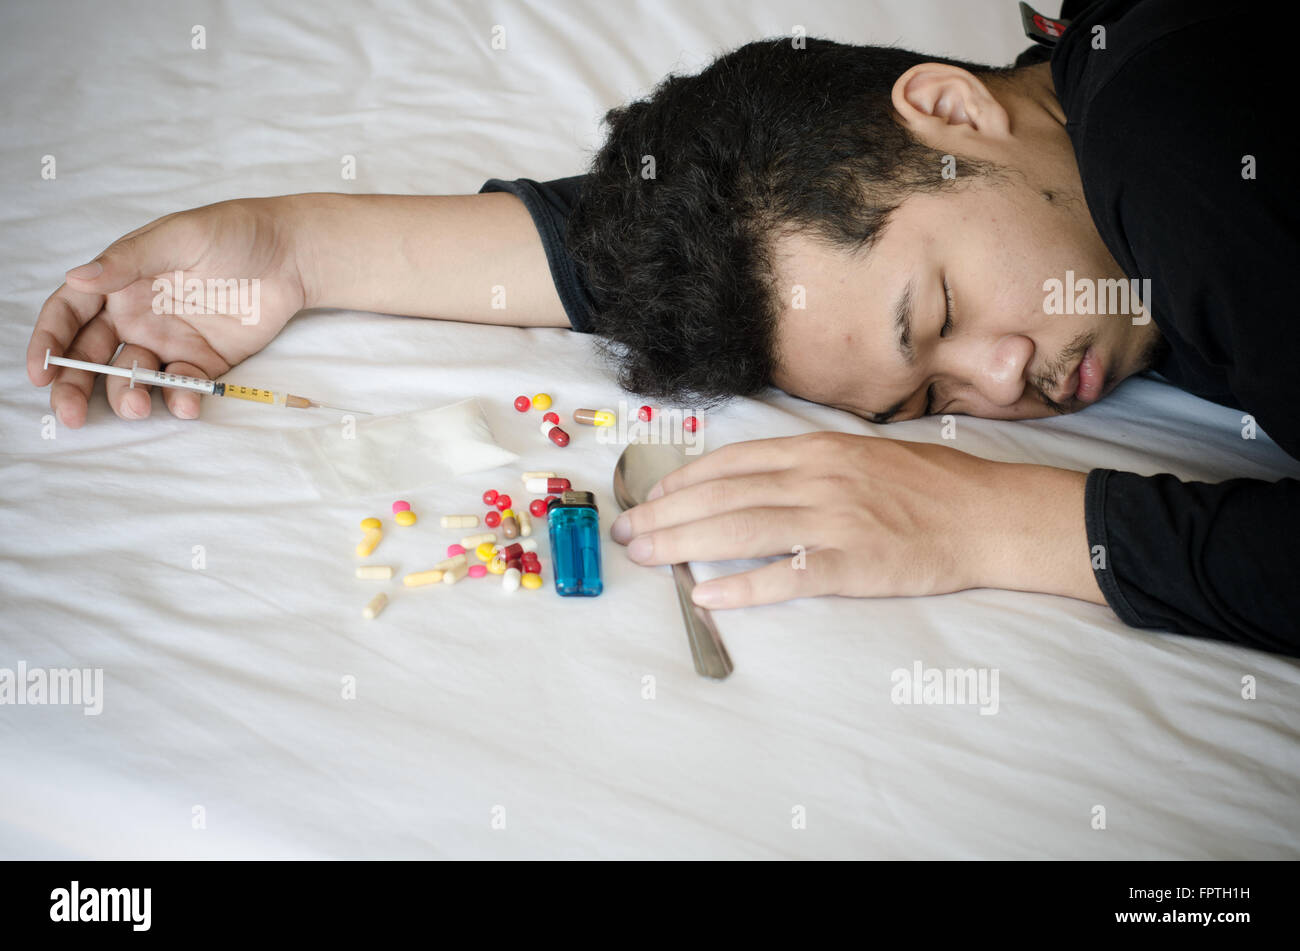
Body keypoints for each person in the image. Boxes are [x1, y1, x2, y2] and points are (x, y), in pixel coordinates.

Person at [26, 0, 1298, 656]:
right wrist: (295, 245)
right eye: (925, 400)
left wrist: (988, 518)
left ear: (950, 110)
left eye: (945, 313)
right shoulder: (1068, 144)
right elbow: (686, 247)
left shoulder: (1175, 156)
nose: (1009, 377)